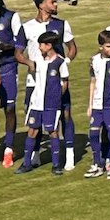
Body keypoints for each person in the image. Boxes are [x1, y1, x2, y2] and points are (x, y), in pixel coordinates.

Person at [19, 30, 70, 175]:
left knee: (53, 132)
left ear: (49, 45)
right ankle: (27, 162)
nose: (39, 47)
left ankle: (56, 165)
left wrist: (57, 98)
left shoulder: (60, 62)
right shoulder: (38, 60)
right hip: (36, 103)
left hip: (51, 104)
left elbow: (64, 82)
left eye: (42, 45)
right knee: (32, 131)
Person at [81, 29, 110, 179]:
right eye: (107, 46)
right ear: (101, 46)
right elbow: (93, 82)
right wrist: (90, 104)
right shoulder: (94, 61)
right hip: (97, 105)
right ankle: (97, 164)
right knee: (93, 133)